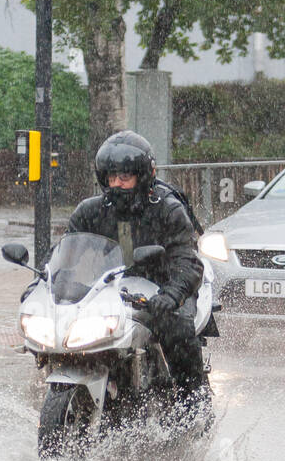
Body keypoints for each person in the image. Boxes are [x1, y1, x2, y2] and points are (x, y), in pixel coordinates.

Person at [66, 129, 213, 409]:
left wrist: (172, 296)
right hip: (113, 290)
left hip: (164, 288)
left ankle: (192, 405)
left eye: (125, 176)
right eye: (111, 177)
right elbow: (66, 253)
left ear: (143, 176)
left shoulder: (168, 210)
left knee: (177, 329)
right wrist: (49, 284)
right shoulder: (90, 212)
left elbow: (188, 261)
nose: (117, 183)